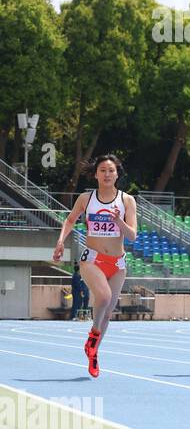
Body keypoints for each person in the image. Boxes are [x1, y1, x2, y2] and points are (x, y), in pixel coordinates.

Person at [52, 154, 138, 378]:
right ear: (95, 174)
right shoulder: (86, 198)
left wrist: (119, 221)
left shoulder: (127, 201)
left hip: (118, 263)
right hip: (92, 259)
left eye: (111, 170)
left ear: (117, 173)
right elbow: (70, 220)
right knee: (104, 296)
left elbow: (132, 236)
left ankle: (93, 352)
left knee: (108, 313)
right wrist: (61, 241)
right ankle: (94, 334)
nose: (107, 174)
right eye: (103, 170)